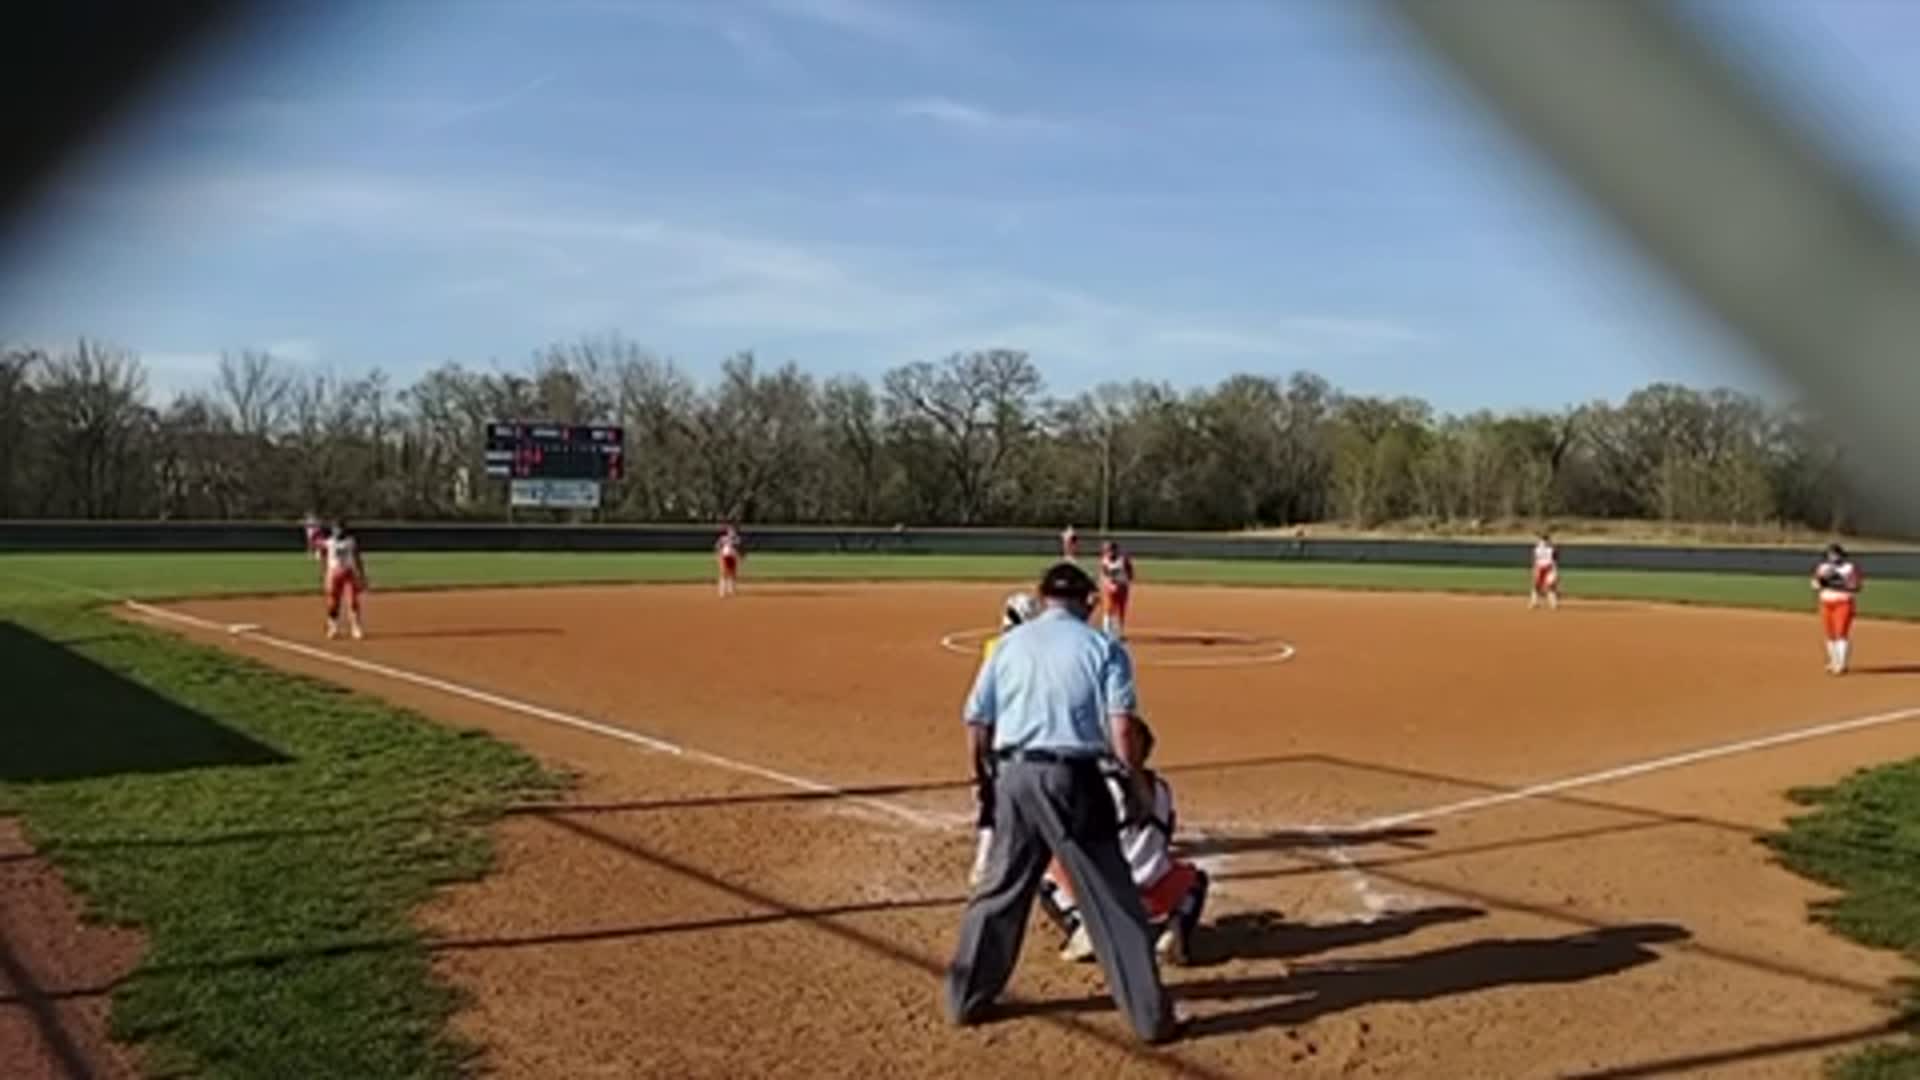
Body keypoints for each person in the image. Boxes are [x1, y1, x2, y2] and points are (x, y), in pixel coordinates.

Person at [945, 561, 1180, 1045]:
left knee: (999, 891)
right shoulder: (1103, 646)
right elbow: (1120, 729)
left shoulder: (1008, 644)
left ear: (1042, 597)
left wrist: (985, 780)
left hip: (1013, 773)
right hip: (1073, 777)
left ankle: (965, 998)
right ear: (1088, 602)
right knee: (1112, 898)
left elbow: (976, 720)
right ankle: (1149, 1018)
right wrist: (1135, 786)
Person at [1041, 719, 1209, 966]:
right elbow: (1165, 839)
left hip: (1112, 895)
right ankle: (1174, 929)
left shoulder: (1100, 789)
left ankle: (1082, 927)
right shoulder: (1162, 789)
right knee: (1195, 879)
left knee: (1049, 870)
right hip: (1156, 897)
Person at [969, 590, 1042, 887]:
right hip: (1025, 732)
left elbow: (979, 710)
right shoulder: (1034, 649)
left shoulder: (994, 647)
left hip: (998, 732)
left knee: (991, 794)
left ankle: (984, 860)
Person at [1812, 543, 1863, 675]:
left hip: (1843, 602)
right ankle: (1833, 661)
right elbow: (1815, 584)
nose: (1833, 556)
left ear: (1841, 555)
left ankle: (1842, 664)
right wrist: (1822, 582)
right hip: (1826, 603)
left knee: (1841, 633)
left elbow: (1857, 586)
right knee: (1830, 634)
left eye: (1836, 554)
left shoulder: (1849, 568)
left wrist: (1837, 584)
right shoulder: (1822, 567)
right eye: (1830, 554)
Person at [322, 520, 368, 640]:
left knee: (353, 600)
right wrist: (326, 574)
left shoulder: (350, 542)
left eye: (339, 528)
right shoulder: (329, 542)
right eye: (335, 528)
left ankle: (355, 627)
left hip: (348, 573)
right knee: (333, 602)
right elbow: (323, 555)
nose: (337, 531)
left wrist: (362, 575)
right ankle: (333, 626)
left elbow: (357, 558)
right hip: (333, 574)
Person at [1098, 540, 1135, 639]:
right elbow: (1103, 575)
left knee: (1121, 610)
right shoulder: (1105, 560)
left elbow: (1130, 574)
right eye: (1107, 550)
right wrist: (1110, 584)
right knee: (1108, 608)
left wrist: (1123, 582)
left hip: (1122, 587)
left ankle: (1118, 632)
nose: (1109, 552)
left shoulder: (1123, 560)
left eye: (1111, 550)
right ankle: (1106, 631)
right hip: (1109, 587)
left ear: (1116, 550)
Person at [1530, 532, 1560, 610]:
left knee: (1550, 586)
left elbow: (1555, 557)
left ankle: (1553, 604)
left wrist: (1553, 548)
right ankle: (1534, 602)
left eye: (1545, 540)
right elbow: (1555, 557)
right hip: (1540, 568)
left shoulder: (1548, 548)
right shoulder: (1539, 548)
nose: (1543, 542)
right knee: (1537, 586)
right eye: (1543, 540)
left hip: (1549, 568)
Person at [716, 524, 742, 598]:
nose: (732, 532)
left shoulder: (737, 539)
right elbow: (718, 547)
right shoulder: (723, 538)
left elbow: (739, 549)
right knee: (723, 573)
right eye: (730, 530)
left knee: (733, 574)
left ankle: (731, 590)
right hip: (725, 556)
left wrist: (740, 557)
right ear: (728, 531)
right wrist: (718, 556)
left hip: (733, 557)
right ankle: (722, 591)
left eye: (733, 530)